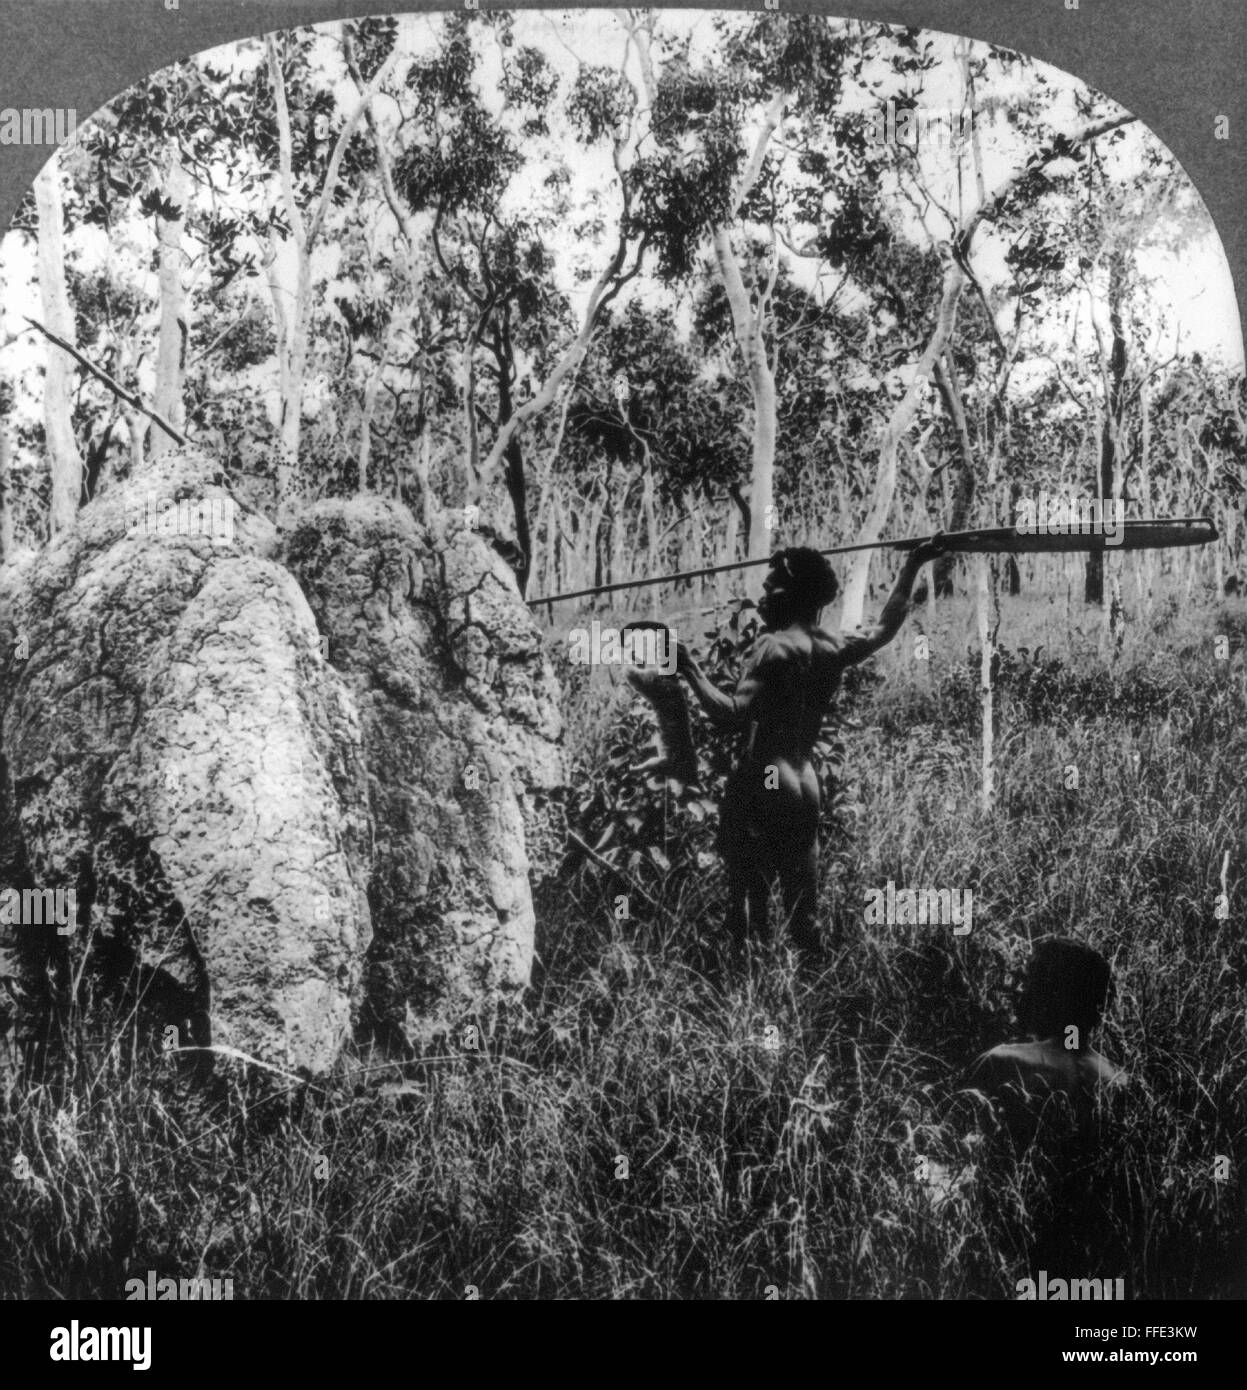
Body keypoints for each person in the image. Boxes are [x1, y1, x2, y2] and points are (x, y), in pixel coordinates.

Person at [675, 539, 943, 954]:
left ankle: (748, 993)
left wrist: (688, 668)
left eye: (772, 589)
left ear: (796, 595)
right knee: (805, 910)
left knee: (747, 902)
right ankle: (814, 997)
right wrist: (913, 562)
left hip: (765, 777)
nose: (764, 599)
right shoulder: (833, 647)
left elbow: (731, 715)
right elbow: (887, 626)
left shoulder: (772, 646)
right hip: (805, 782)